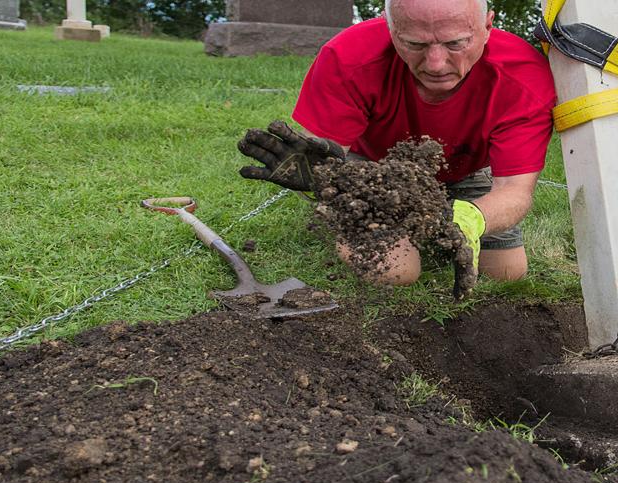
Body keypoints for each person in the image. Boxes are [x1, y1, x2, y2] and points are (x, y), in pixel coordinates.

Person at [236, 0, 556, 292]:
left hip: (466, 170)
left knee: (507, 273)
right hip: (373, 172)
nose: (435, 64)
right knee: (395, 271)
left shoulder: (522, 76)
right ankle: (376, 220)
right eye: (415, 44)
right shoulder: (348, 56)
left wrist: (473, 217)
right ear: (390, 27)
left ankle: (439, 218)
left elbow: (514, 190)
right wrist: (329, 181)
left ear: (487, 27)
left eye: (455, 43)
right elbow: (324, 155)